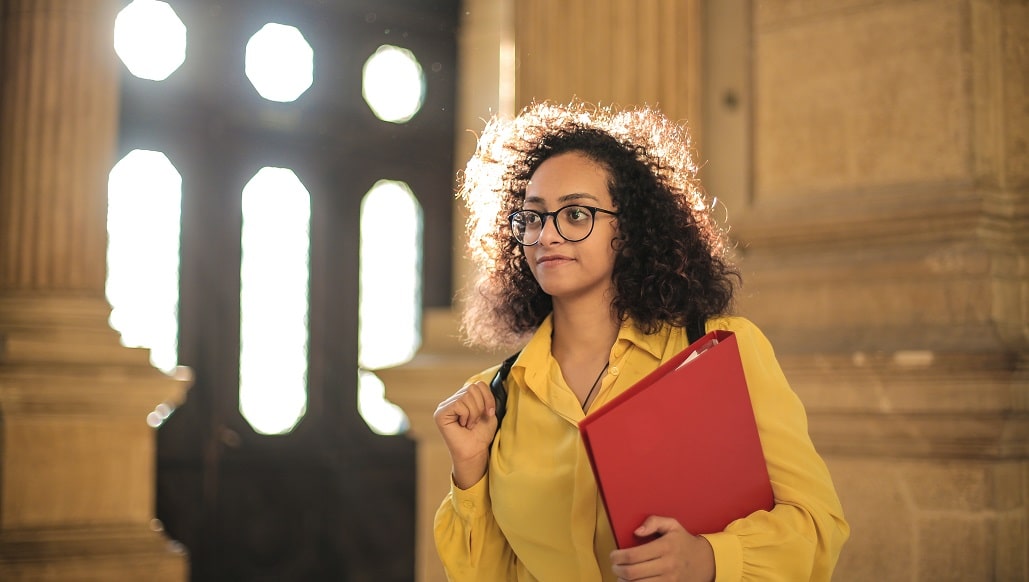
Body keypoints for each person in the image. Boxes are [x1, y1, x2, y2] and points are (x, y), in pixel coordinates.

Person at [432, 100, 849, 581]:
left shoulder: (719, 350)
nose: (546, 235)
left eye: (575, 214)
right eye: (532, 217)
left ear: (627, 229)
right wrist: (470, 469)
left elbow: (819, 528)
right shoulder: (497, 398)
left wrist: (711, 559)